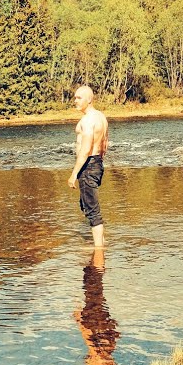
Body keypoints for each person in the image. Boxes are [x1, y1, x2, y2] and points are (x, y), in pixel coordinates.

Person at [69, 85, 109, 248]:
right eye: (75, 98)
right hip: (97, 162)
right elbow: (105, 143)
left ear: (89, 99)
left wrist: (74, 174)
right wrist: (98, 162)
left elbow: (85, 149)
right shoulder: (101, 117)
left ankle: (99, 249)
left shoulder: (87, 120)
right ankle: (101, 241)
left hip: (88, 164)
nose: (75, 101)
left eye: (79, 98)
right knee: (85, 204)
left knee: (92, 209)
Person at [75, 249, 119, 365]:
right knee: (93, 281)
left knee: (92, 281)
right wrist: (80, 323)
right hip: (95, 324)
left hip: (103, 329)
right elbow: (94, 349)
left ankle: (97, 251)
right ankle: (98, 249)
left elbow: (100, 353)